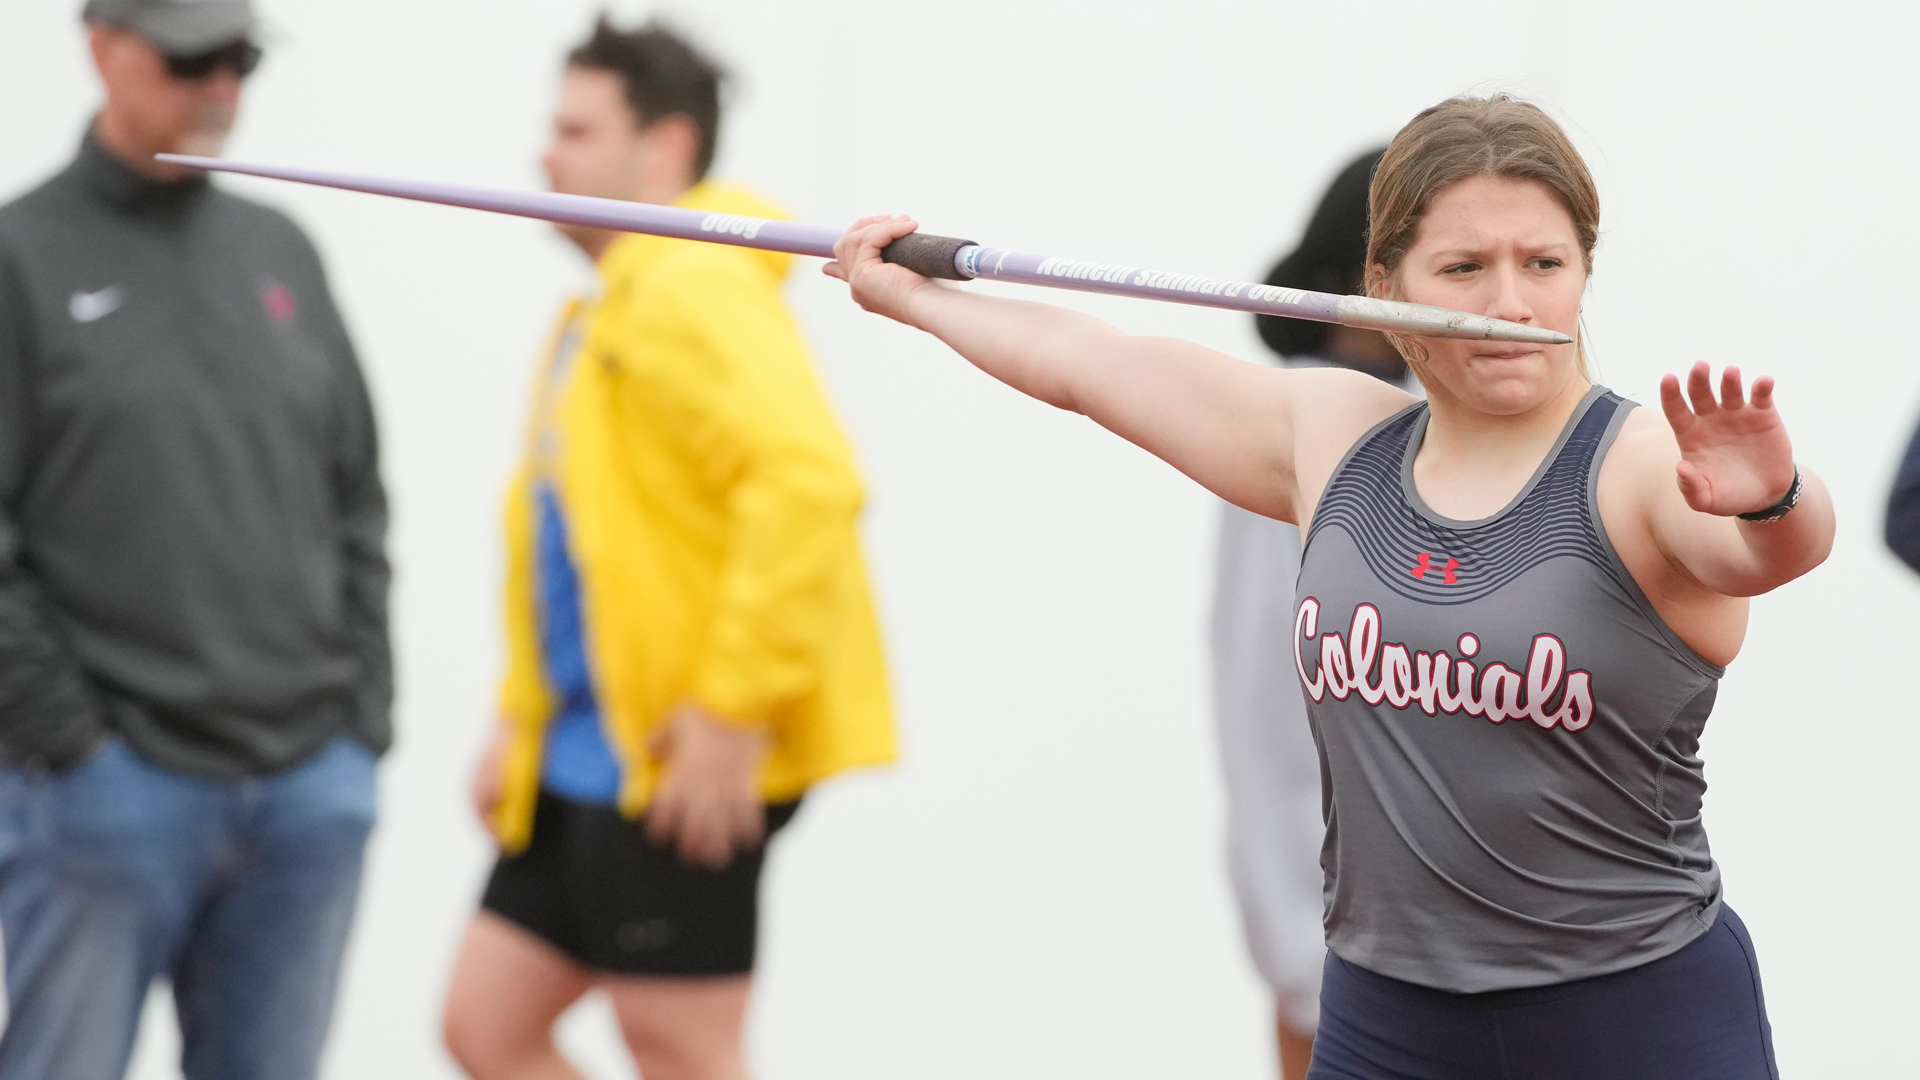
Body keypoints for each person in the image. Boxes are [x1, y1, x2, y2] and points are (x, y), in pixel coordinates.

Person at [828, 95, 1826, 1079]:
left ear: (1584, 272)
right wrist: (911, 296)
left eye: (1543, 264)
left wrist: (1775, 497)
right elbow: (1091, 365)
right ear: (1383, 285)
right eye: (1464, 268)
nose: (1510, 304)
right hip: (1388, 1022)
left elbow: (1772, 554)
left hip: (1630, 1020)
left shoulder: (1642, 464)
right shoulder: (1336, 437)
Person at [440, 19, 895, 1080]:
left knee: (681, 1051)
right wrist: (519, 715)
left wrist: (732, 712)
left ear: (665, 149)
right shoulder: (612, 305)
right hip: (583, 746)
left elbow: (808, 483)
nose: (545, 155)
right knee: (487, 1026)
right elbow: (573, 540)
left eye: (576, 132)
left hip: (679, 753)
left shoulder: (690, 285)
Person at [0, 1, 389, 1078]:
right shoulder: (20, 259)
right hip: (107, 796)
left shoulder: (280, 249)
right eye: (188, 58)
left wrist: (360, 727)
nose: (219, 84)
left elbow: (355, 494)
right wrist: (72, 746)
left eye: (239, 57)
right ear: (102, 48)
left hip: (306, 790)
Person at [1211, 147, 1407, 1080]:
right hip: (1346, 953)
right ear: (1367, 274)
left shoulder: (1435, 424)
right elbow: (1273, 717)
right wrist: (1306, 949)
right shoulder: (1306, 434)